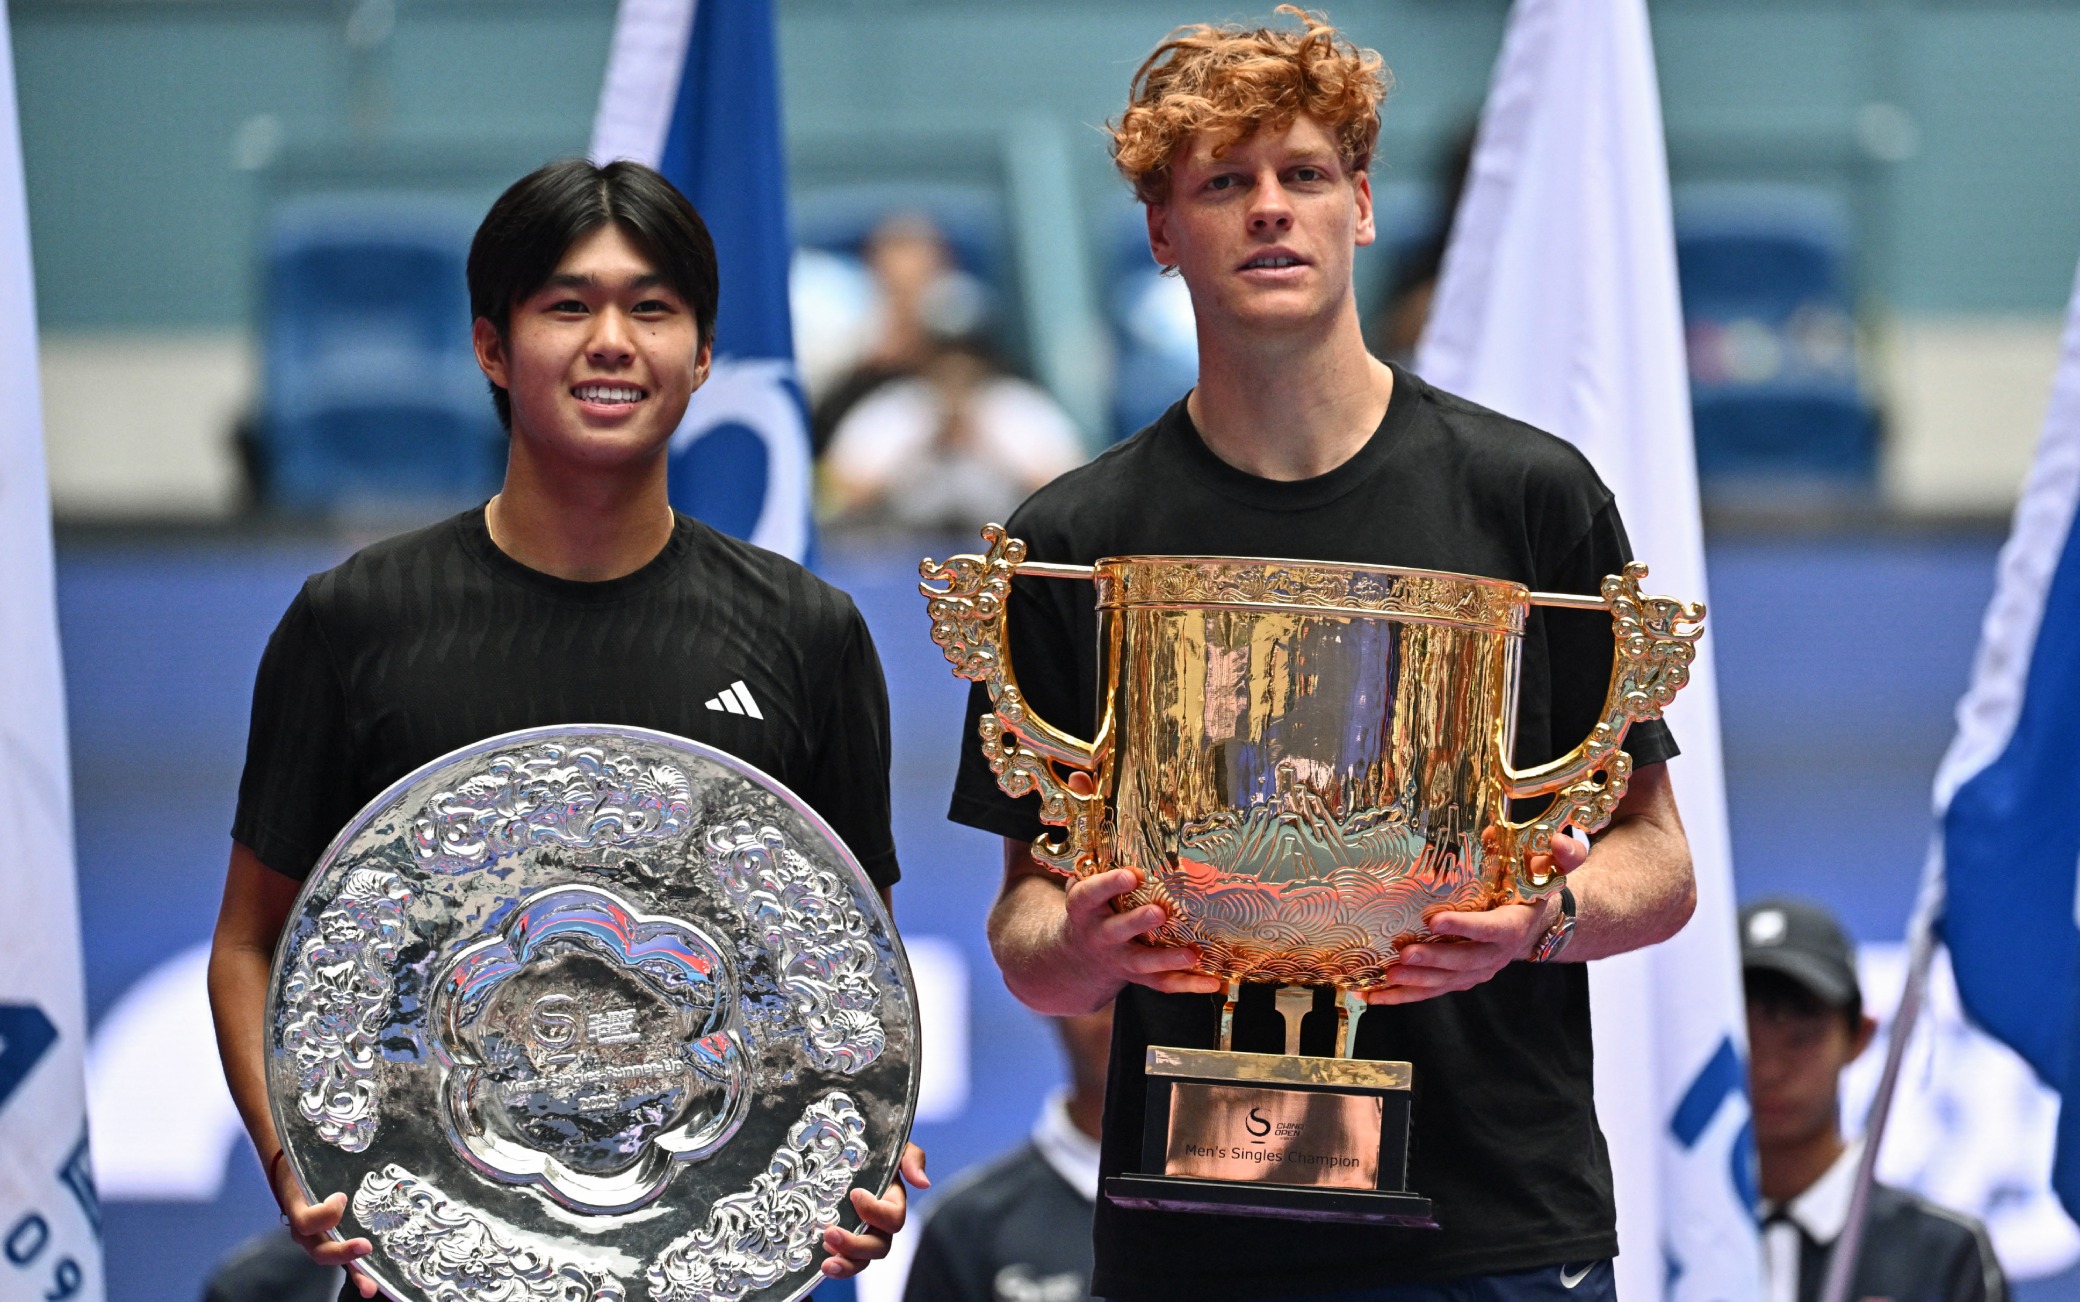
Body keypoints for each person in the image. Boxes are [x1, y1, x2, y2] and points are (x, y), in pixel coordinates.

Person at [946, 9, 1697, 1299]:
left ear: (1359, 204)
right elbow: (1024, 926)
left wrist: (1543, 920)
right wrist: (1086, 949)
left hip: (1496, 1220)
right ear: (1162, 234)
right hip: (1195, 1235)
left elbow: (1662, 863)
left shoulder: (1527, 496)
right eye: (1223, 184)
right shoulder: (1072, 540)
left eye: (1302, 175)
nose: (1269, 211)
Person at [206, 158, 926, 1300]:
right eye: (566, 305)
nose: (610, 340)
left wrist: (870, 1146)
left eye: (651, 307)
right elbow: (253, 943)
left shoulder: (807, 632)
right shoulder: (355, 621)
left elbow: (847, 974)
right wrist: (299, 1155)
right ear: (492, 347)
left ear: (700, 355)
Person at [1742, 898, 2007, 1302]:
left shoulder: (1943, 1252)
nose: (1769, 1070)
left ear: (1859, 1037)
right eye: (1747, 1039)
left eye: (1800, 1038)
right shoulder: (1665, 1244)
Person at [903, 1008, 1111, 1302]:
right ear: (1045, 994)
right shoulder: (965, 1226)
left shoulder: (1200, 1210)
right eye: (1096, 973)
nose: (1118, 1002)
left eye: (1149, 978)